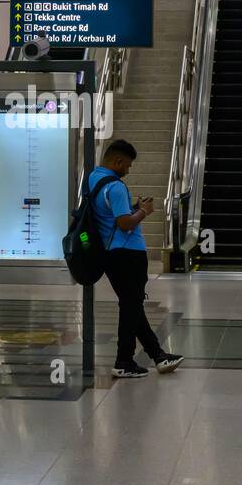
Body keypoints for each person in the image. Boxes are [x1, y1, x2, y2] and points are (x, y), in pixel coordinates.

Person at [89, 139, 183, 379]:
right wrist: (143, 211)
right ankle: (124, 361)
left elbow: (109, 215)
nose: (128, 170)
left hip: (110, 254)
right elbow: (123, 223)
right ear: (117, 161)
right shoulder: (116, 186)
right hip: (127, 254)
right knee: (130, 307)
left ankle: (158, 355)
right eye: (127, 166)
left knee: (132, 306)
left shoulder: (93, 180)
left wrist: (132, 208)